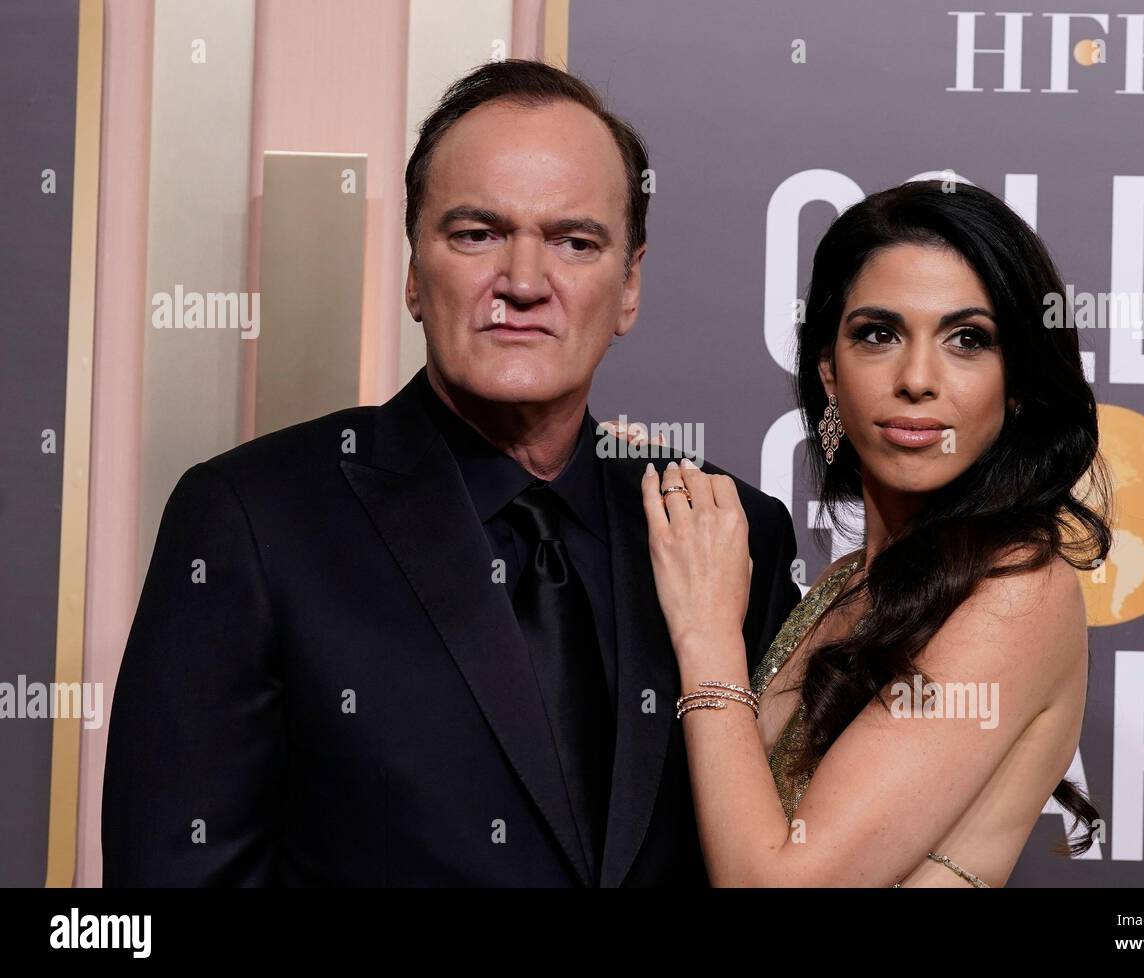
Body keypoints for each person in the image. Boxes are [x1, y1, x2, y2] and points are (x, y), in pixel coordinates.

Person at [102, 59, 801, 887]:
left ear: (630, 288)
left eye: (576, 243)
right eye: (477, 234)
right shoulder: (252, 519)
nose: (524, 283)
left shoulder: (727, 527)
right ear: (411, 273)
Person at [641, 180, 1112, 887]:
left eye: (967, 339)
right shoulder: (843, 585)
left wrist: (706, 634)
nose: (917, 378)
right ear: (829, 369)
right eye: (878, 334)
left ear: (1016, 384)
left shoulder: (1020, 587)